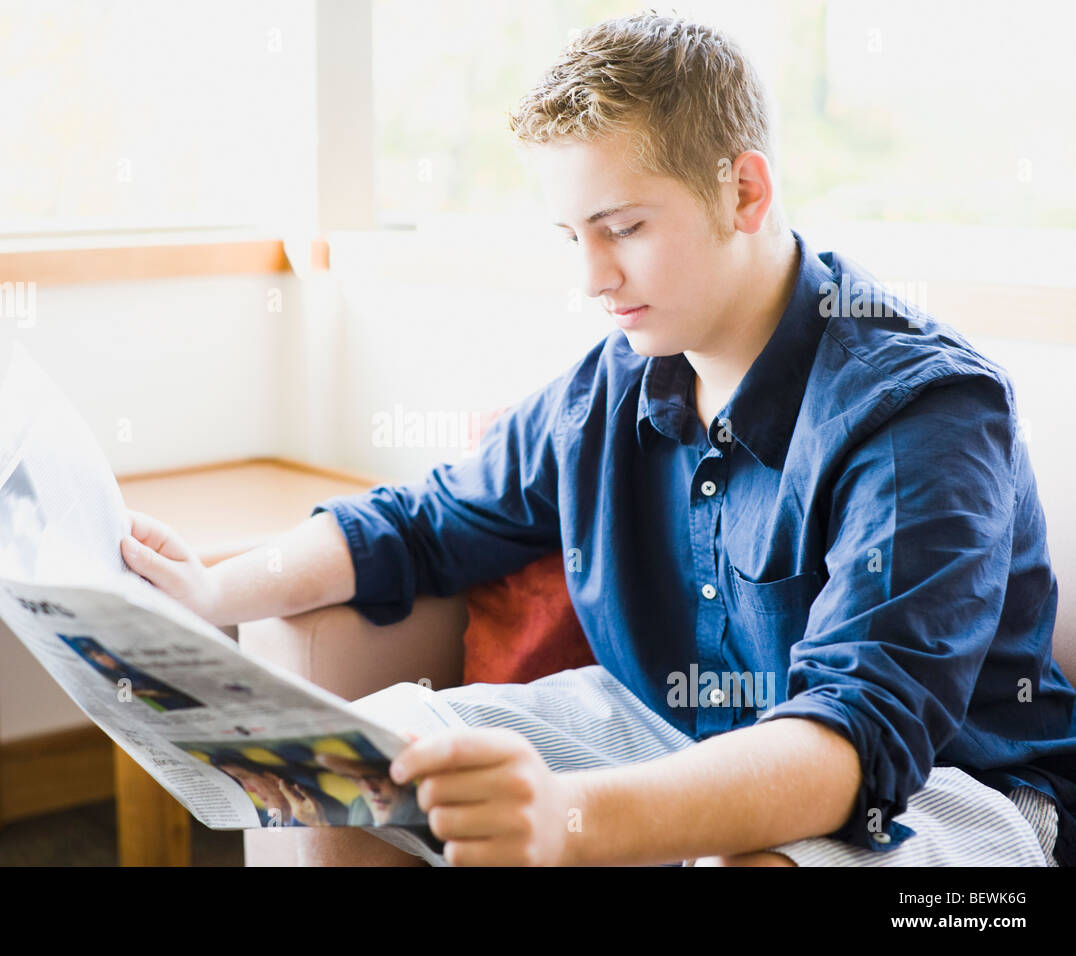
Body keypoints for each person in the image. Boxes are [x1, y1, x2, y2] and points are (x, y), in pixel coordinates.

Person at [119, 12, 1076, 867]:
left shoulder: (925, 412)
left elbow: (852, 742)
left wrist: (567, 818)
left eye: (621, 227)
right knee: (347, 766)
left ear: (744, 192)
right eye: (570, 234)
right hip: (668, 725)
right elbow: (422, 524)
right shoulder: (616, 378)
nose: (591, 278)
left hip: (939, 788)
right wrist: (212, 591)